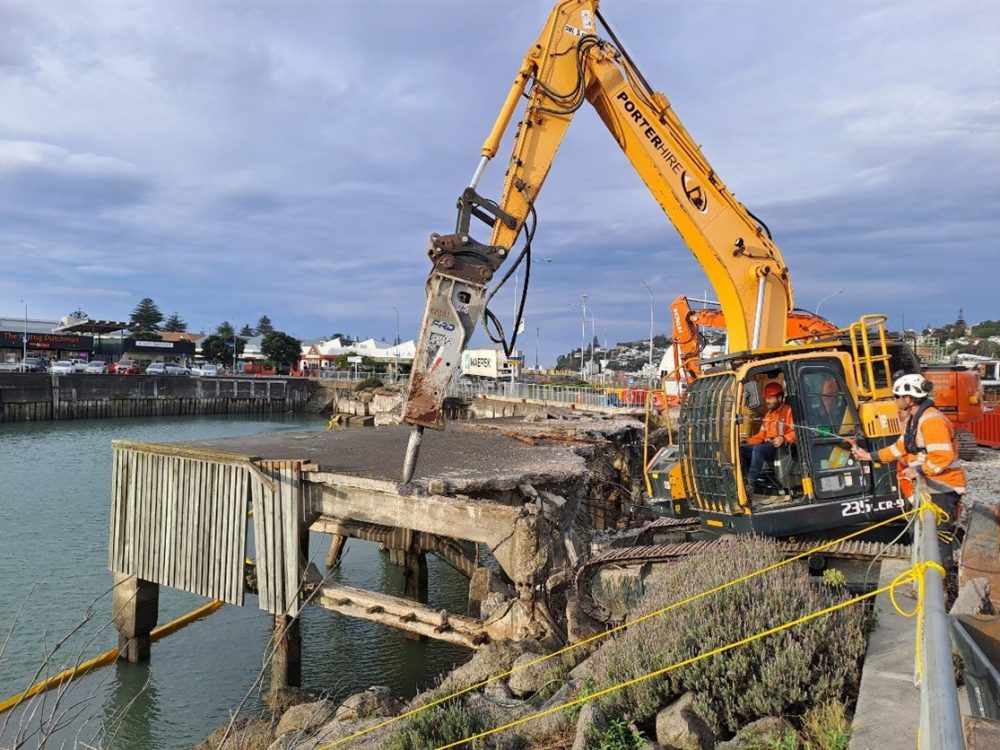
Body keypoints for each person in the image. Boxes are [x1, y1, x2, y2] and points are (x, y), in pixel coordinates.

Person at [850, 374, 966, 570]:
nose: (894, 400)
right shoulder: (915, 420)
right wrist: (868, 456)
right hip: (931, 487)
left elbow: (943, 457)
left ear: (909, 399)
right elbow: (899, 448)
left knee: (937, 536)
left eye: (897, 396)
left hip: (943, 488)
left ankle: (940, 581)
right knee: (925, 533)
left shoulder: (931, 421)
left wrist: (918, 470)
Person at [740, 382, 796, 492]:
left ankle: (751, 482)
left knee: (758, 450)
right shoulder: (769, 414)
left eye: (770, 398)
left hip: (782, 448)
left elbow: (797, 432)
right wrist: (747, 442)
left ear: (780, 398)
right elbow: (761, 435)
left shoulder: (789, 411)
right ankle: (743, 480)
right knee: (742, 450)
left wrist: (783, 438)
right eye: (766, 398)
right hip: (769, 446)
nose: (767, 401)